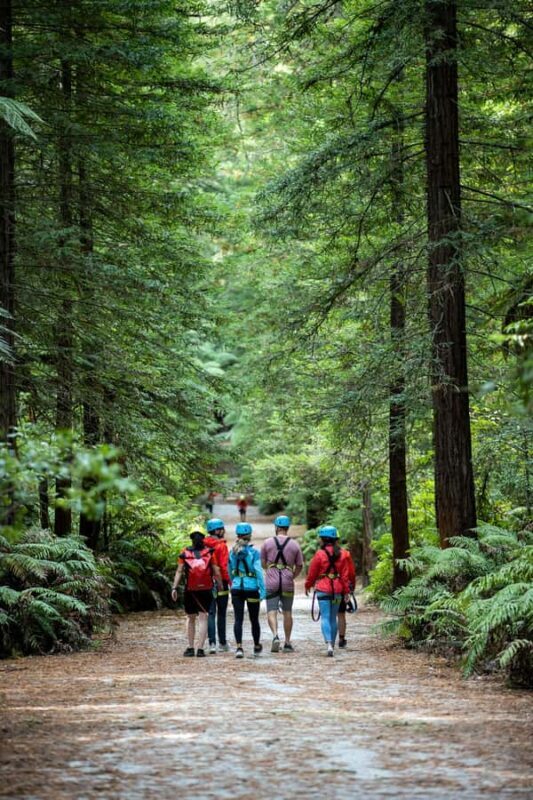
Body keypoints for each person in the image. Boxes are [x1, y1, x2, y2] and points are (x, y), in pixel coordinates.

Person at [171, 527, 222, 657]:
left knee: (190, 618)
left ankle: (190, 647)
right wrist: (220, 585)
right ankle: (200, 649)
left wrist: (174, 587)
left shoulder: (185, 552)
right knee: (203, 618)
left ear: (191, 538)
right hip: (206, 589)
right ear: (203, 537)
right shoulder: (210, 552)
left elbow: (179, 571)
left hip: (190, 590)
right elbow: (216, 571)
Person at [304, 525, 351, 657]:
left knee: (325, 616)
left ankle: (329, 644)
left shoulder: (319, 554)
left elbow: (312, 573)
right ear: (336, 539)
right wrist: (347, 592)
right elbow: (345, 575)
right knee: (333, 617)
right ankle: (333, 644)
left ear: (322, 539)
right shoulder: (342, 554)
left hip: (323, 589)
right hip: (337, 590)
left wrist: (308, 585)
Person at [260, 515, 304, 653]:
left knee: (271, 611)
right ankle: (287, 642)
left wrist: (270, 571)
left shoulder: (267, 543)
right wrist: (292, 576)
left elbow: (263, 563)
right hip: (287, 581)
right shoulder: (295, 544)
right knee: (287, 612)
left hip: (272, 580)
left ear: (277, 527)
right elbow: (300, 565)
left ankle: (274, 636)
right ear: (287, 528)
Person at [228, 522, 266, 658]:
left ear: (237, 535)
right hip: (251, 588)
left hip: (237, 588)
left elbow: (230, 572)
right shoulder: (254, 553)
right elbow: (258, 571)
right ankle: (256, 645)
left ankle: (239, 648)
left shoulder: (232, 552)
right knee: (254, 619)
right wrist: (263, 589)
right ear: (249, 536)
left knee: (238, 619)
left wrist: (234, 583)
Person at [205, 517, 230, 653]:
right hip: (220, 583)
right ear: (217, 530)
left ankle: (212, 644)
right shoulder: (221, 546)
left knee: (210, 613)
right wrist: (229, 583)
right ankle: (223, 642)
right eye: (222, 529)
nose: (224, 531)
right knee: (221, 613)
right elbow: (224, 567)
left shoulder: (203, 545)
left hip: (206, 583)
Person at [337, 547, 356, 648]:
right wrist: (351, 587)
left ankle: (329, 640)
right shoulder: (345, 554)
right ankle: (341, 638)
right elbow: (351, 573)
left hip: (326, 588)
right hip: (341, 587)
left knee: (329, 615)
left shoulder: (322, 552)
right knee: (341, 614)